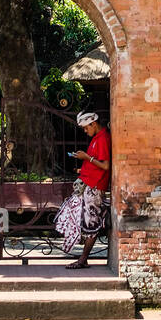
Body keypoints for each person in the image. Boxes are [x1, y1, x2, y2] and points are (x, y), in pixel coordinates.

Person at [55, 110, 110, 269]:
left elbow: (105, 165)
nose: (85, 131)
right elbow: (96, 164)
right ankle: (81, 256)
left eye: (86, 128)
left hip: (95, 187)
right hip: (88, 184)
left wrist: (86, 158)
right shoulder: (96, 139)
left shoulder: (102, 139)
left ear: (93, 124)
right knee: (74, 216)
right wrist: (84, 167)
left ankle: (83, 259)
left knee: (90, 224)